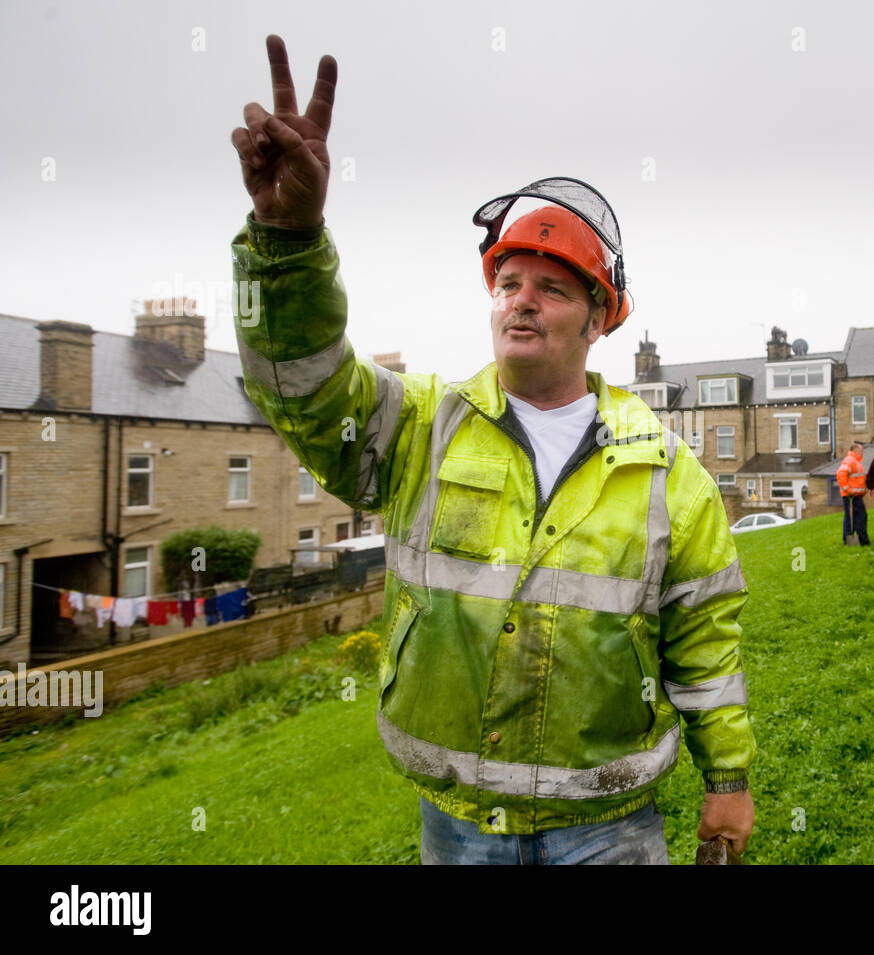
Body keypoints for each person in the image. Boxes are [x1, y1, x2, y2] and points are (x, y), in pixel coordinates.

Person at [229, 36, 755, 865]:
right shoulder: (420, 425)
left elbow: (704, 638)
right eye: (509, 282)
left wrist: (727, 777)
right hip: (458, 827)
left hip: (608, 828)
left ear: (599, 318)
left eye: (552, 288)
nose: (522, 301)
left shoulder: (668, 473)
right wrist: (288, 240)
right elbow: (302, 388)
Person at [836, 440, 870, 545]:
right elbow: (840, 474)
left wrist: (864, 490)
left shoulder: (855, 461)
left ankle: (849, 540)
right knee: (858, 518)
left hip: (855, 495)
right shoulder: (851, 461)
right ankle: (861, 540)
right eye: (861, 450)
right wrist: (848, 490)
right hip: (852, 496)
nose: (862, 452)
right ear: (855, 450)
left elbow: (858, 479)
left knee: (851, 518)